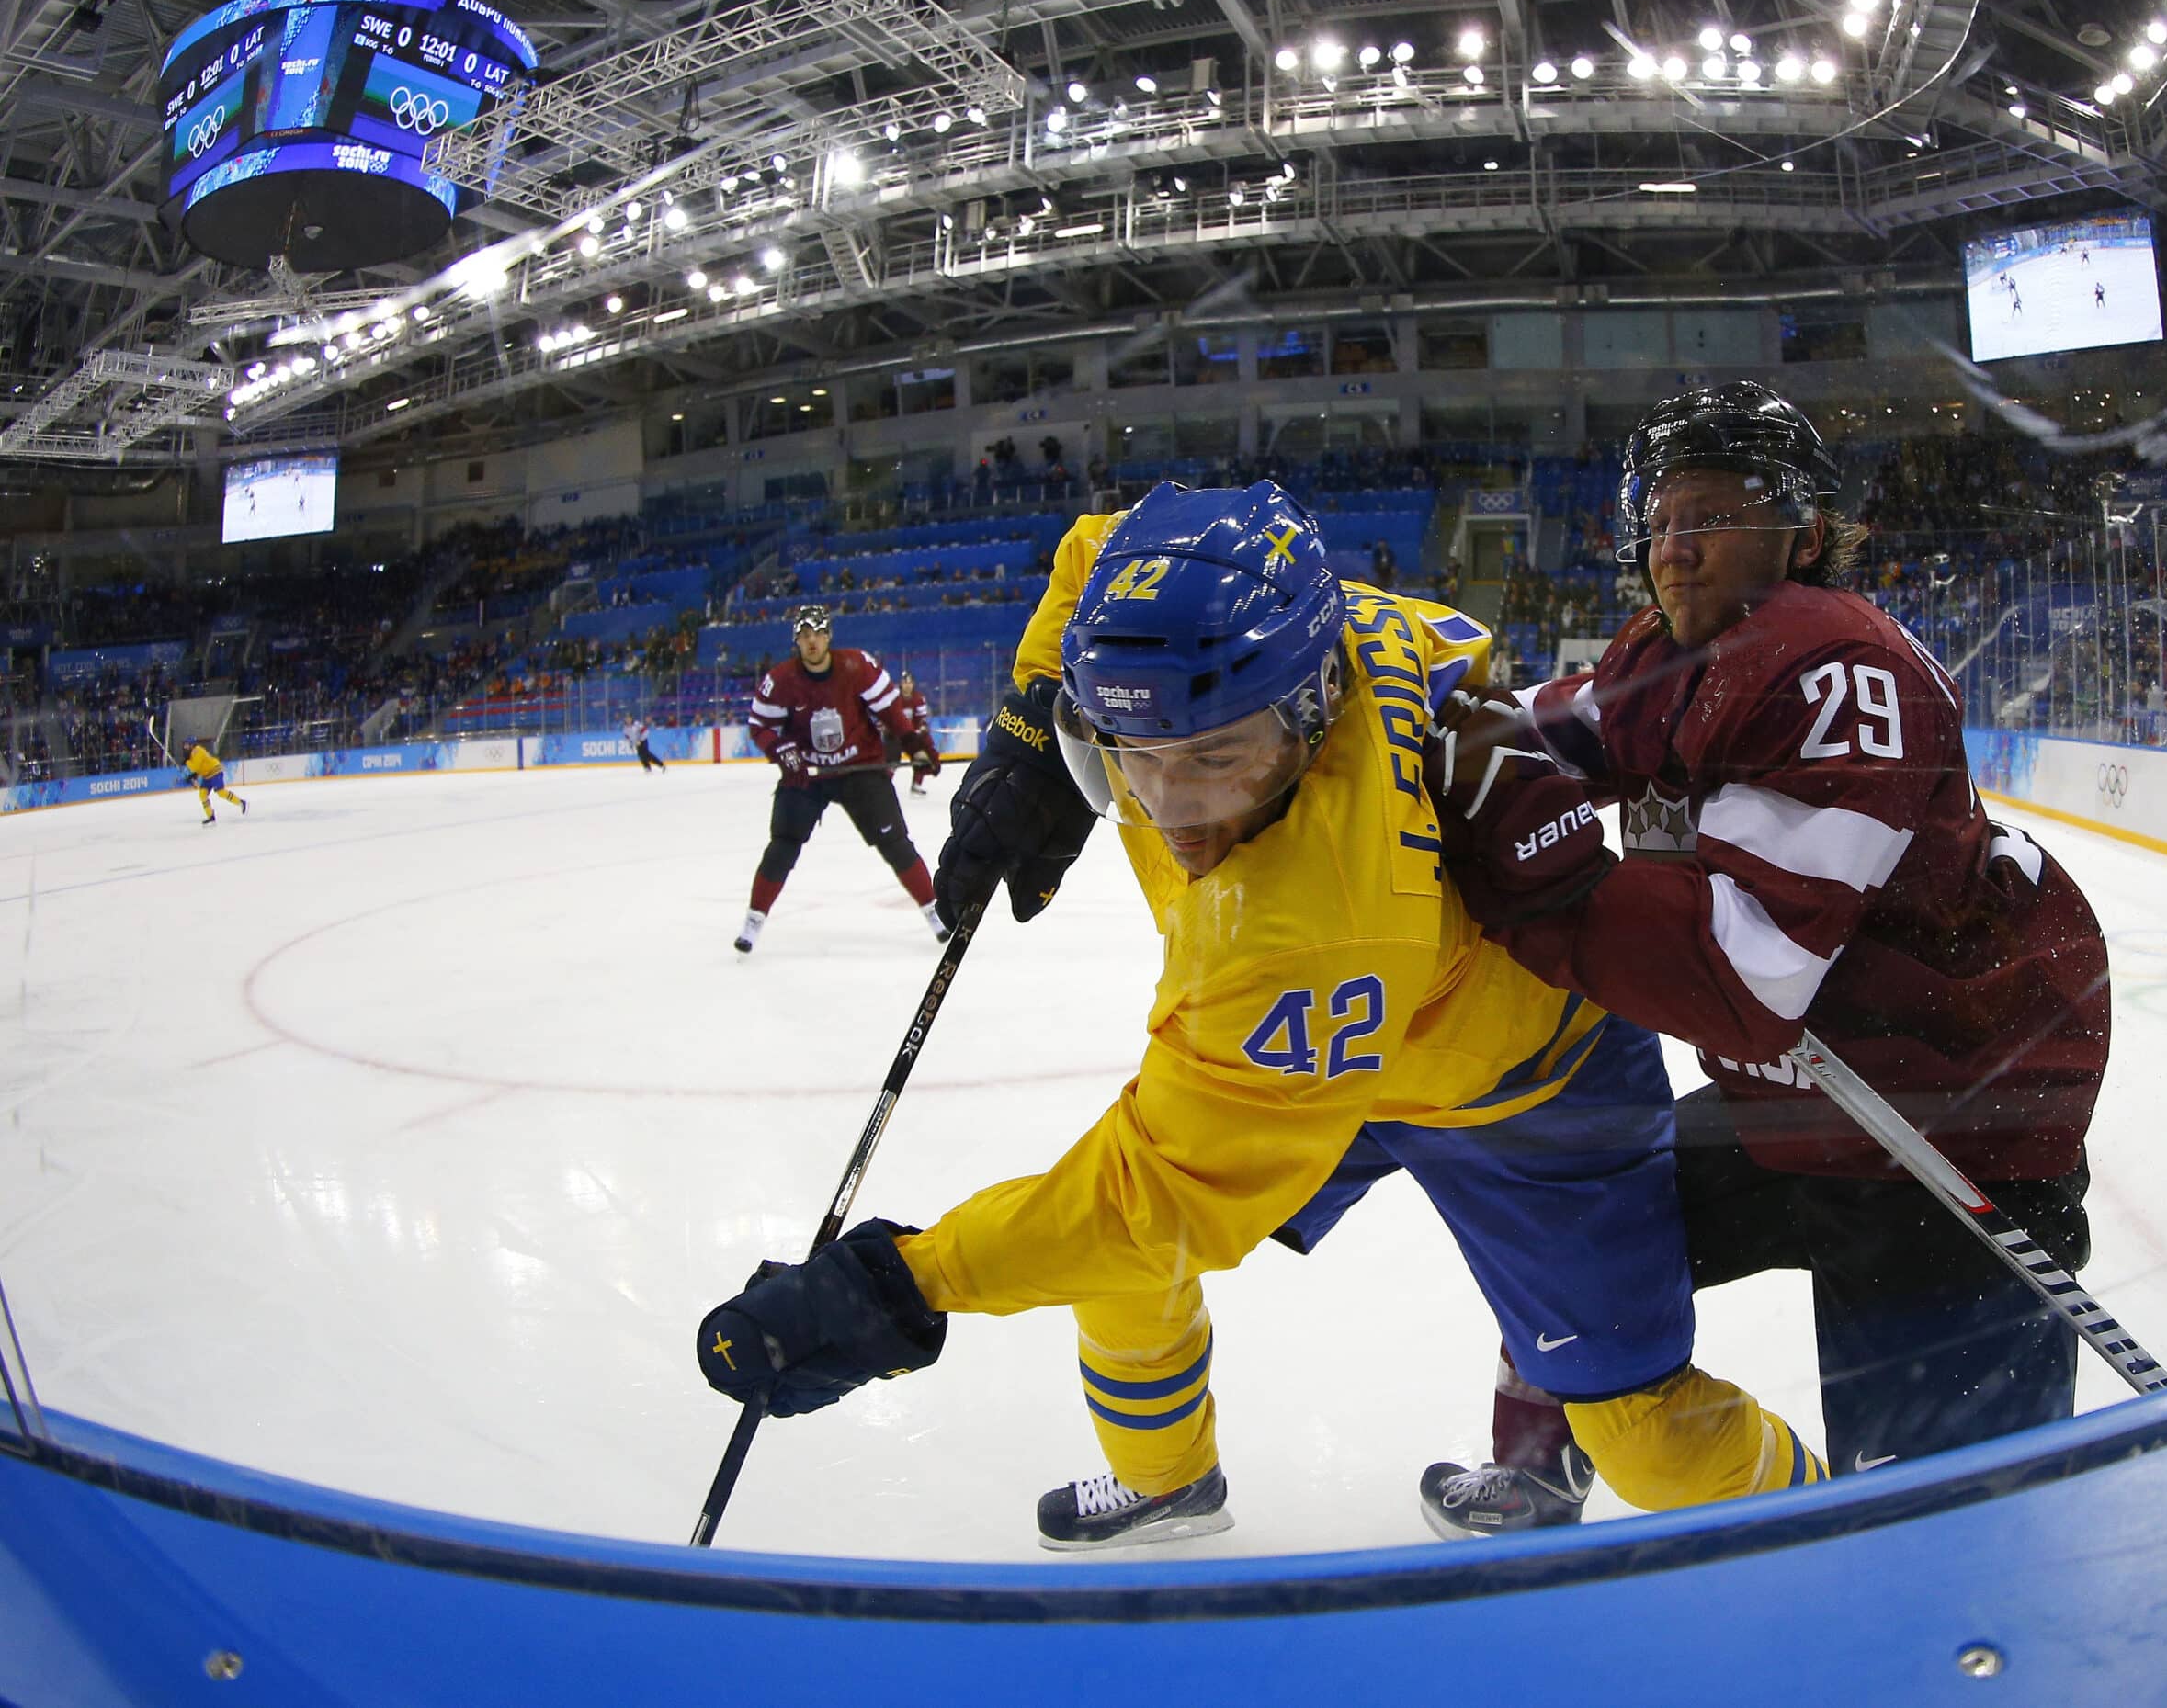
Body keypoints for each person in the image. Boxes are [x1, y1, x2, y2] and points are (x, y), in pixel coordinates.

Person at [696, 481, 1821, 1551]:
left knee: (1648, 1440)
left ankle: (1845, 1519)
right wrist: (1039, 730)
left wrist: (900, 1284)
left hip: (1526, 1084)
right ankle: (1165, 1475)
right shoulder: (1270, 621)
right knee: (1115, 1269)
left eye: (1219, 763)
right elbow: (1105, 544)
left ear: (1309, 710)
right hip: (1387, 1023)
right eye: (1135, 762)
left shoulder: (1304, 923)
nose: (1179, 821)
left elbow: (1152, 1199)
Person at [1417, 382, 2110, 1511]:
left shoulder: (1836, 669)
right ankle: (1539, 1467)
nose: (1674, 550)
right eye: (1661, 520)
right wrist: (1419, 717)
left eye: (1712, 517)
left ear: (1801, 529)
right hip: (1810, 1102)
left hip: (1956, 1121)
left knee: (1954, 1537)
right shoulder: (1679, 650)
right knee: (1568, 1223)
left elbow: (1741, 979)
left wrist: (1528, 876)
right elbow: (1552, 729)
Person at [735, 605, 947, 953]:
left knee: (895, 843)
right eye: (804, 636)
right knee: (782, 846)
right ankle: (754, 920)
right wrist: (782, 751)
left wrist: (916, 746)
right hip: (808, 775)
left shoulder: (857, 667)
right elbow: (761, 727)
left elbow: (892, 713)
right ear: (796, 642)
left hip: (859, 769)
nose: (811, 642)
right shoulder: (781, 681)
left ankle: (935, 912)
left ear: (829, 636)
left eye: (817, 634)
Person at [179, 737, 246, 825]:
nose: (185, 747)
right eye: (184, 745)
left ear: (192, 745)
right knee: (203, 794)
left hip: (215, 771)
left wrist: (187, 762)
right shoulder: (192, 755)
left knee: (220, 792)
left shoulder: (197, 750)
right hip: (207, 775)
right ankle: (211, 816)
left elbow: (196, 767)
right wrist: (194, 776)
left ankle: (241, 802)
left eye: (187, 745)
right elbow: (200, 768)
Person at [896, 672, 943, 795]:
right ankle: (883, 786)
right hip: (895, 736)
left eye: (910, 683)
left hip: (912, 737)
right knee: (889, 759)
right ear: (900, 684)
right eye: (905, 683)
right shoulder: (894, 699)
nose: (907, 686)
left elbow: (921, 720)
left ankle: (917, 783)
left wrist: (921, 728)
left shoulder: (918, 698)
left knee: (926, 756)